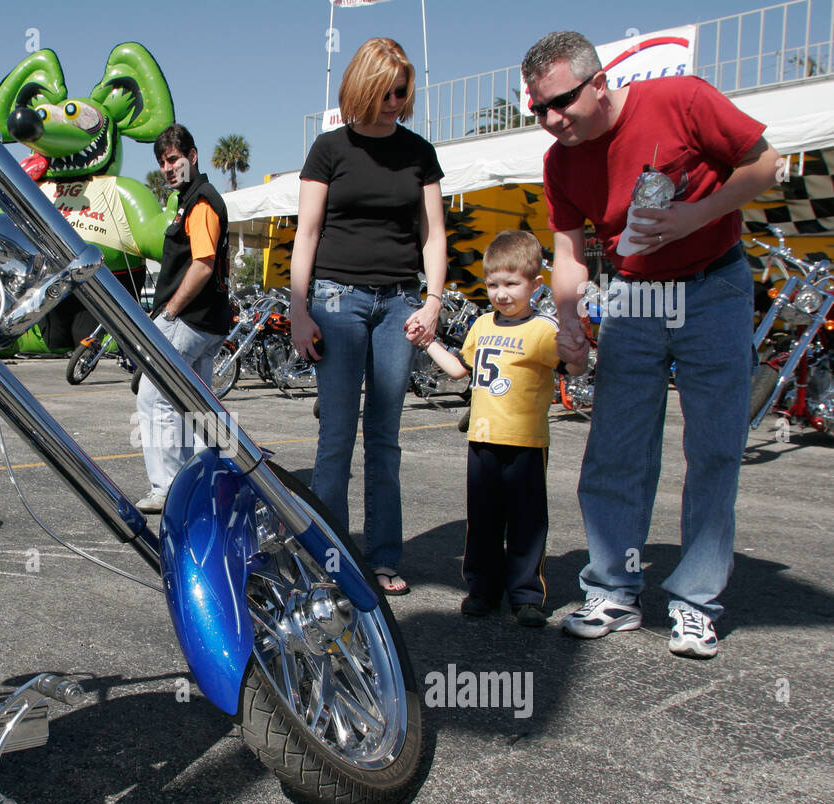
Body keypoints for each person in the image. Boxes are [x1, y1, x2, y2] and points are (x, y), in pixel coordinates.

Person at [521, 31, 780, 658]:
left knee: (715, 447)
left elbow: (767, 164)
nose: (552, 121)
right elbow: (568, 249)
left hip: (714, 287)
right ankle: (614, 587)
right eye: (538, 111)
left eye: (561, 103)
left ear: (599, 81)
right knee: (617, 447)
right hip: (634, 299)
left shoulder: (682, 99)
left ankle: (695, 602)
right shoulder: (561, 160)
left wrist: (698, 214)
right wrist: (569, 317)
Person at [289, 37, 447, 595]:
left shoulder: (419, 152)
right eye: (385, 91)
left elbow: (432, 234)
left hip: (401, 301)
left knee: (386, 437)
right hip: (335, 300)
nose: (394, 101)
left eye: (402, 92)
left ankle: (381, 557)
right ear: (362, 86)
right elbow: (306, 234)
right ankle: (326, 558)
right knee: (336, 435)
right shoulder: (329, 148)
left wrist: (433, 301)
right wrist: (298, 308)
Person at [425, 231, 583, 626]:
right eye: (493, 284)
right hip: (482, 440)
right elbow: (461, 370)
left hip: (527, 443)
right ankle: (482, 590)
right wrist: (427, 342)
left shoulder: (544, 331)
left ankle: (526, 595)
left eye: (512, 283)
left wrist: (579, 352)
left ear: (535, 285)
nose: (501, 293)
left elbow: (574, 369)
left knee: (527, 522)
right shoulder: (480, 325)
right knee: (482, 521)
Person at [134, 124, 231, 514]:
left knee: (154, 396)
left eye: (173, 159)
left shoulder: (201, 202)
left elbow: (204, 264)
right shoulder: (189, 201)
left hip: (190, 319)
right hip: (208, 322)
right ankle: (199, 483)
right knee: (193, 404)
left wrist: (170, 311)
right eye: (162, 162)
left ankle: (168, 487)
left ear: (192, 156)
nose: (168, 167)